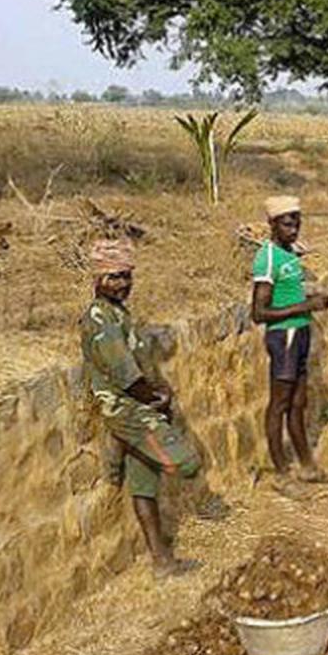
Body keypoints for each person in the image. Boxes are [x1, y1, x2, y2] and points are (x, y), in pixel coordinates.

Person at [81, 238, 203, 577]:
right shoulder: (99, 320)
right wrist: (157, 399)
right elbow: (126, 377)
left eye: (126, 276)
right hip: (127, 410)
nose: (122, 284)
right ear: (97, 278)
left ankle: (162, 561)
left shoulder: (117, 312)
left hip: (136, 406)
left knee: (144, 487)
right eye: (114, 277)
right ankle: (120, 442)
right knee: (189, 463)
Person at [250, 196, 328, 491]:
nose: (294, 228)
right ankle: (281, 473)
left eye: (297, 221)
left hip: (299, 333)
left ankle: (307, 465)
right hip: (283, 336)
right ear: (272, 224)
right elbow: (259, 313)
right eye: (287, 223)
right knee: (279, 404)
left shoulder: (289, 253)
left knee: (298, 403)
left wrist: (310, 304)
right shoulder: (268, 257)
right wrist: (305, 306)